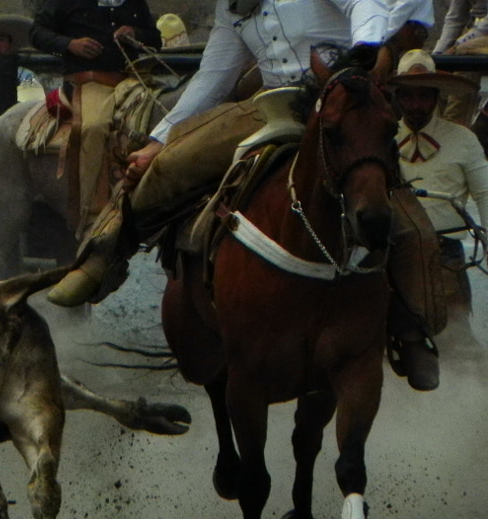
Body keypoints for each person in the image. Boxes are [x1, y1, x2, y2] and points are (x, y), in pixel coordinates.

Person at [49, 0, 446, 391]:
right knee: (169, 163)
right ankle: (105, 253)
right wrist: (158, 140)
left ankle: (412, 329)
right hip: (271, 106)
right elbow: (213, 77)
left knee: (403, 217)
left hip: (343, 102)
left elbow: (364, 5)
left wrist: (361, 56)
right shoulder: (230, 9)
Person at [29, 0, 161, 244]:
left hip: (133, 80)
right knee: (94, 127)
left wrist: (135, 33)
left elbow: (155, 39)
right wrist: (70, 44)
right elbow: (37, 33)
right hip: (88, 81)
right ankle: (91, 214)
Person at [391, 49, 488, 347]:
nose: (415, 104)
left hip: (445, 254)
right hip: (391, 253)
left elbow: (485, 195)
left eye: (424, 96)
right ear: (398, 97)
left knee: (456, 341)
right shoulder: (381, 137)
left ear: (436, 97)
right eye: (408, 96)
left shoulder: (464, 140)